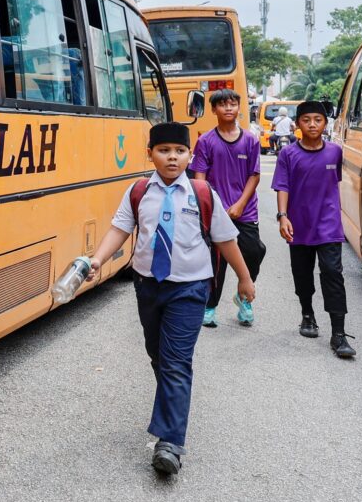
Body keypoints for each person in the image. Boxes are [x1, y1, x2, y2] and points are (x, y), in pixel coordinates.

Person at [87, 122, 256, 475]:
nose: (172, 157)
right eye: (164, 150)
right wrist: (98, 259)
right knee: (158, 356)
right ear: (149, 154)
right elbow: (121, 228)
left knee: (176, 361)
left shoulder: (202, 192)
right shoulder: (137, 191)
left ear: (189, 156)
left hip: (190, 288)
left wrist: (244, 278)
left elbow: (226, 240)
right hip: (148, 285)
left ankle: (170, 443)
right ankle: (171, 410)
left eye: (179, 151)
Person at [271, 100, 356, 359]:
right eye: (306, 120)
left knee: (332, 273)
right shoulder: (288, 154)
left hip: (329, 224)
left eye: (317, 120)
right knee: (302, 274)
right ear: (297, 124)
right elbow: (282, 186)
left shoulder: (334, 152)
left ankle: (338, 334)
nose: (312, 124)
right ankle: (307, 314)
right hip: (299, 224)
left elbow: (334, 184)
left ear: (325, 123)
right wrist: (283, 217)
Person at [190, 88, 266, 328]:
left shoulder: (251, 140)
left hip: (245, 210)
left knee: (253, 252)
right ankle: (209, 307)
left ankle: (244, 296)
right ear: (214, 110)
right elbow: (199, 179)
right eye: (223, 104)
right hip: (215, 212)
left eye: (233, 103)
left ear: (239, 107)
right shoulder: (205, 141)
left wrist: (240, 203)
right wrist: (211, 207)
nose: (229, 108)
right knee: (216, 261)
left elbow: (254, 176)